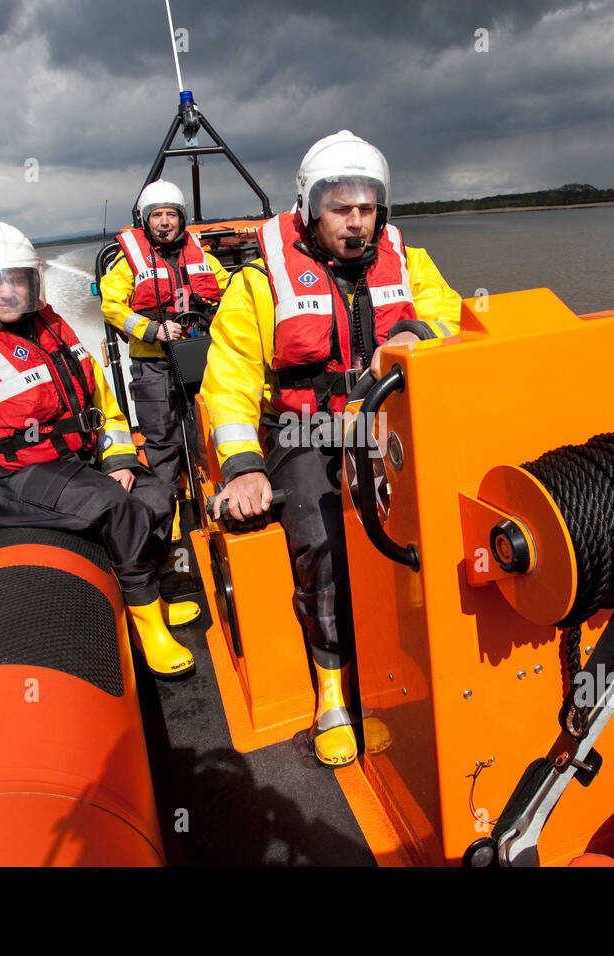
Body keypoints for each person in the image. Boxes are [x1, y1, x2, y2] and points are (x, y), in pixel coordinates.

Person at [200, 131, 461, 765]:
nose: (355, 219)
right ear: (309, 208)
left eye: (367, 206)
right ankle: (334, 689)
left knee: (436, 527)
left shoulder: (411, 262)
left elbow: (454, 319)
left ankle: (419, 664)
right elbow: (229, 381)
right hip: (304, 432)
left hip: (386, 423)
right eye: (340, 205)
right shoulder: (260, 282)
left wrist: (416, 336)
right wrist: (241, 468)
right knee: (325, 541)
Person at [0, 217, 198, 679]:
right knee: (116, 506)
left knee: (156, 492)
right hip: (1, 474)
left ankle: (148, 586)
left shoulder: (50, 327)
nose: (7, 291)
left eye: (18, 279)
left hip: (68, 459)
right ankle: (147, 624)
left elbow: (99, 398)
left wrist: (116, 457)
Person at [99, 180, 230, 541]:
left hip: (199, 360)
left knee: (205, 427)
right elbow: (111, 306)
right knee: (159, 438)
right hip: (153, 363)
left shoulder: (204, 258)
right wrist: (152, 329)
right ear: (146, 221)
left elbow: (232, 294)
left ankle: (211, 492)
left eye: (171, 214)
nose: (164, 222)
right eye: (157, 215)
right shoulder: (128, 263)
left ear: (182, 218)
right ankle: (168, 513)